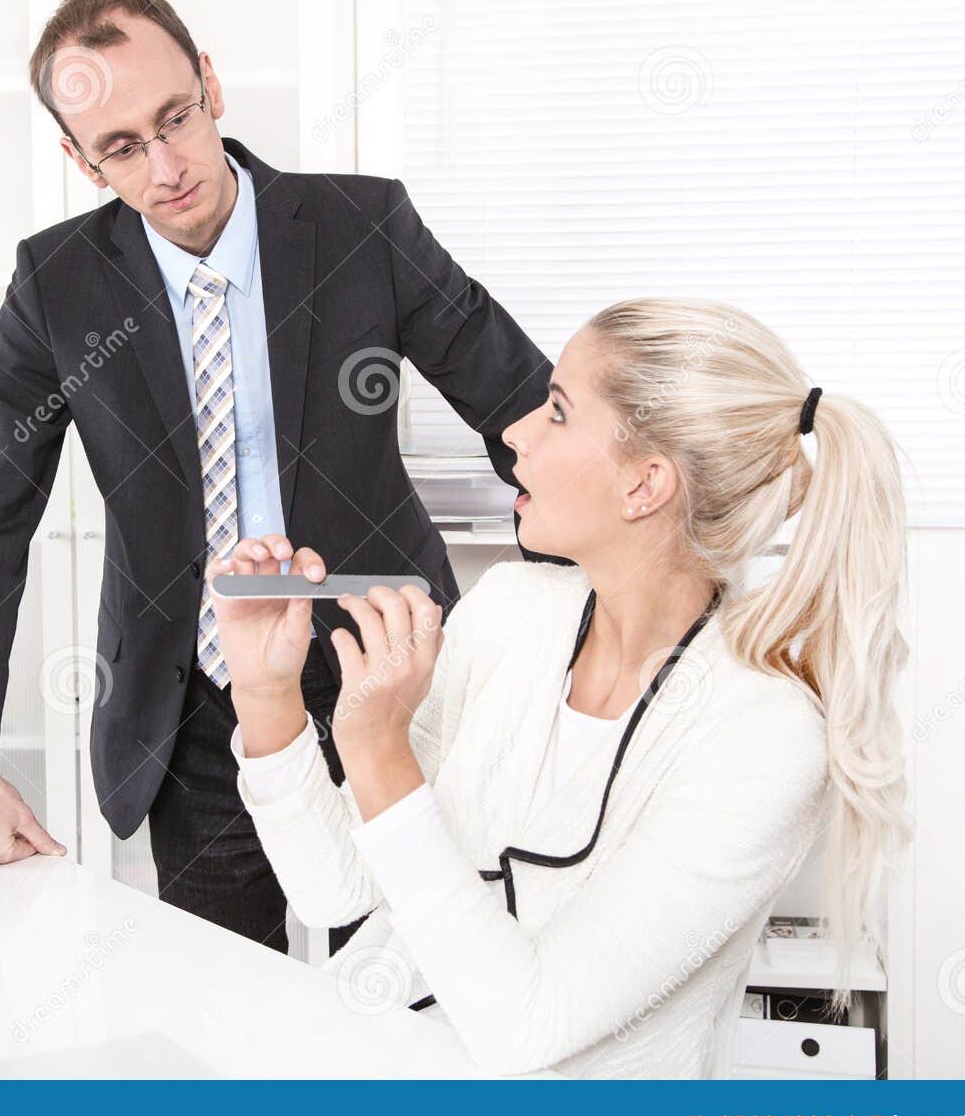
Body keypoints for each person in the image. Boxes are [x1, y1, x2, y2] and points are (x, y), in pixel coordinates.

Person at [0, 0, 553, 955]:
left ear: (210, 84)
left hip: (384, 675)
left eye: (176, 118)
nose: (166, 168)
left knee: (406, 986)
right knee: (224, 1004)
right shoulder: (58, 285)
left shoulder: (362, 225)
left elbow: (524, 407)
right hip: (196, 710)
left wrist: (605, 601)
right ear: (80, 160)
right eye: (122, 147)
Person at [209, 298, 911, 1075]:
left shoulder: (765, 736)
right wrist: (265, 691)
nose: (516, 432)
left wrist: (379, 752)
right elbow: (332, 891)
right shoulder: (508, 610)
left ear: (644, 483)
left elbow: (527, 1027)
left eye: (557, 411)